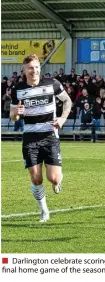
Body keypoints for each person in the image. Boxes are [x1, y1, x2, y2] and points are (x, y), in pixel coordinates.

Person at [10, 53, 72, 222]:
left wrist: (62, 118)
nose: (34, 70)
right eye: (30, 68)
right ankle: (44, 210)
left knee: (53, 177)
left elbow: (67, 101)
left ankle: (57, 180)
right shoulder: (18, 89)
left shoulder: (52, 83)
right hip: (30, 137)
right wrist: (16, 114)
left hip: (50, 134)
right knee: (36, 177)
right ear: (24, 69)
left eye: (37, 67)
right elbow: (13, 115)